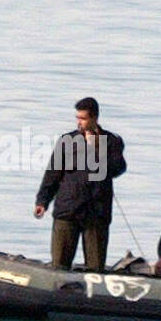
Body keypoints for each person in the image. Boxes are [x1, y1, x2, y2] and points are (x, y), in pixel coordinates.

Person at [34, 97, 127, 271]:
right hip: (68, 209)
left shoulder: (112, 141)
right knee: (59, 265)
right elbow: (52, 174)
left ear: (94, 118)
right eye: (77, 118)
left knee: (95, 267)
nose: (79, 122)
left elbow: (118, 168)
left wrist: (97, 149)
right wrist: (42, 201)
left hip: (96, 214)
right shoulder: (67, 141)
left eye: (83, 118)